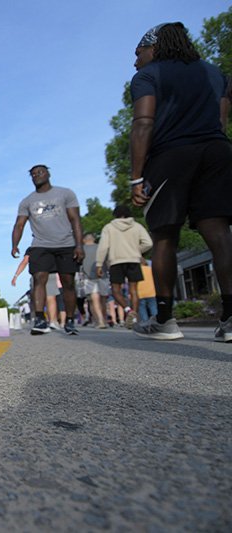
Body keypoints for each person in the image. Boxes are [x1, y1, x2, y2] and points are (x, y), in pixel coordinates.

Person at [129, 23, 232, 343]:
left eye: (138, 53)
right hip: (217, 151)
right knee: (218, 233)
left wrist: (137, 177)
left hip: (171, 155)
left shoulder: (148, 76)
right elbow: (222, 117)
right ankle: (229, 318)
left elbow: (144, 123)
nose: (135, 61)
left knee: (164, 237)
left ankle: (164, 319)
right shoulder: (214, 72)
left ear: (154, 47)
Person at [11, 165, 84, 335]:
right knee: (39, 278)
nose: (37, 175)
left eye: (40, 172)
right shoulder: (27, 201)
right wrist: (15, 244)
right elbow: (19, 224)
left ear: (48, 174)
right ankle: (40, 319)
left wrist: (79, 245)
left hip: (65, 243)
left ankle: (70, 321)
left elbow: (75, 220)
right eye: (33, 174)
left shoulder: (66, 193)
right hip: (40, 244)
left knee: (68, 282)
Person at [95, 204, 152, 328]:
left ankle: (128, 310)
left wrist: (99, 264)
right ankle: (135, 315)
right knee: (134, 290)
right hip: (133, 260)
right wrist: (137, 251)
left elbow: (103, 247)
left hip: (116, 261)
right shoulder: (137, 226)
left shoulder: (109, 227)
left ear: (115, 214)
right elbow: (148, 243)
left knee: (116, 290)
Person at [80, 233, 108, 328]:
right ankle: (104, 320)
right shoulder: (101, 247)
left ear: (84, 240)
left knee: (93, 300)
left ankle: (99, 321)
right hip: (103, 275)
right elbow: (107, 261)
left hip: (88, 277)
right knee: (103, 299)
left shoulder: (81, 249)